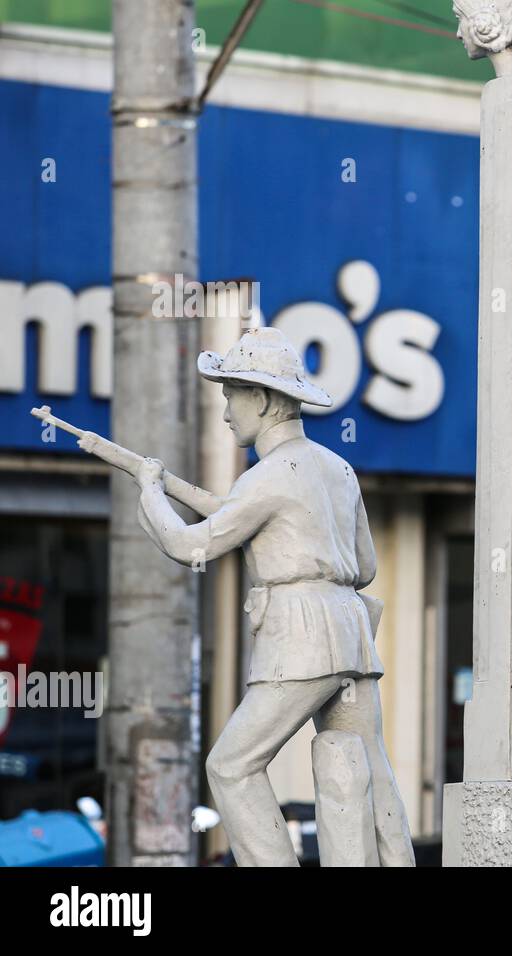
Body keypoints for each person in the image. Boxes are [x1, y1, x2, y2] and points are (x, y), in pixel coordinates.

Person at [123, 327, 415, 867]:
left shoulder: (269, 476)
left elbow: (190, 546)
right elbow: (365, 567)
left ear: (261, 398)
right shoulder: (336, 468)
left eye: (232, 396)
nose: (228, 412)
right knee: (364, 764)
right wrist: (175, 488)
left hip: (301, 637)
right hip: (349, 632)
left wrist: (147, 490)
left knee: (230, 766)